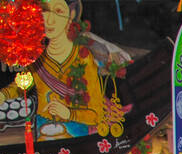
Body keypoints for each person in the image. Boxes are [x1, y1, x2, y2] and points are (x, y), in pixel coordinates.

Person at [0, 0, 110, 140]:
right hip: (43, 134)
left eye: (58, 11)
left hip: (76, 137)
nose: (50, 20)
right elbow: (22, 84)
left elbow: (96, 114)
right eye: (44, 11)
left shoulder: (83, 57)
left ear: (72, 14)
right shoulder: (38, 57)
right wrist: (3, 95)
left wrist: (69, 114)